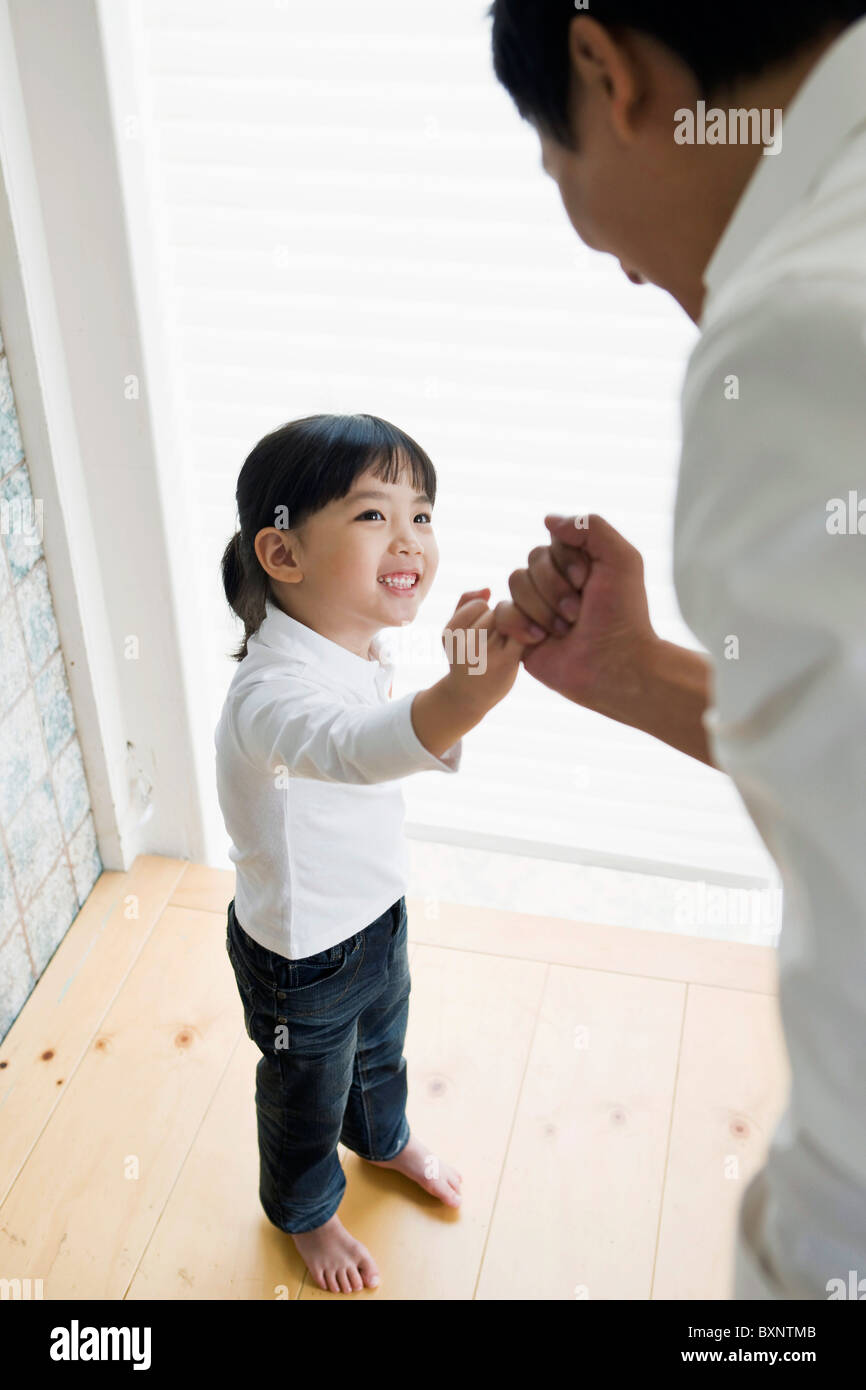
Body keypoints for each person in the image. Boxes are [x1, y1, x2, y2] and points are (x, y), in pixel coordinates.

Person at [488, 2, 866, 1299]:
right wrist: (638, 672)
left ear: (603, 70)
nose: (608, 258)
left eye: (559, 171)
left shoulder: (803, 334)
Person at [214, 412, 524, 1294]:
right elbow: (354, 745)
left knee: (381, 1050)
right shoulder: (267, 695)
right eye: (372, 515)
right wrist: (463, 696)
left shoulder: (353, 644)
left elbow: (380, 723)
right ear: (283, 556)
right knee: (308, 1092)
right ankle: (305, 1208)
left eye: (422, 515)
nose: (409, 538)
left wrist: (454, 675)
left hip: (375, 915)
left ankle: (382, 1138)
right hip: (300, 954)